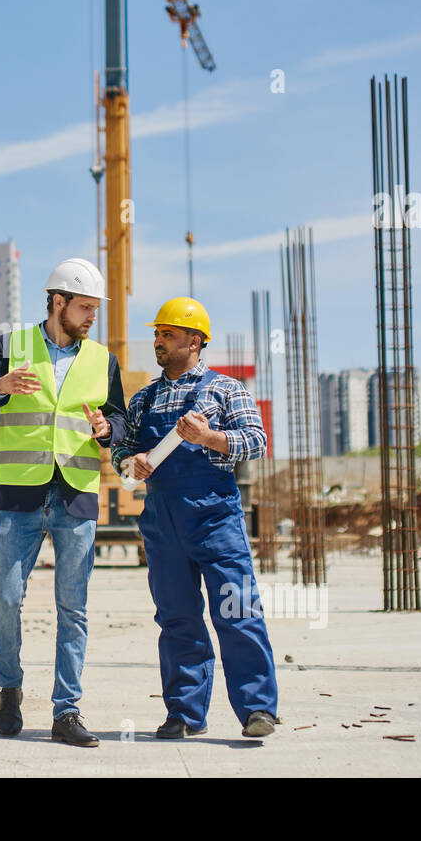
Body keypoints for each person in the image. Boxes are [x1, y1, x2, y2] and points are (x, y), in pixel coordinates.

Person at [0, 257, 126, 748]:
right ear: (58, 302)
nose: (92, 316)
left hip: (76, 495)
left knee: (73, 608)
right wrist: (0, 387)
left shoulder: (103, 359)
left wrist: (107, 430)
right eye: (84, 307)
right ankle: (9, 687)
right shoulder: (10, 348)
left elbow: (119, 422)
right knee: (6, 598)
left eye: (95, 308)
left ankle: (66, 711)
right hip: (20, 494)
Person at [111, 296, 280, 740]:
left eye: (167, 333)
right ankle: (184, 712)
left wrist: (208, 436)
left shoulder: (224, 391)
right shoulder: (143, 398)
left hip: (214, 515)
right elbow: (121, 453)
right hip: (162, 518)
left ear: (195, 340)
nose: (158, 340)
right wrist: (133, 463)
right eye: (157, 333)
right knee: (176, 617)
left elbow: (256, 441)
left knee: (237, 610)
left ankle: (258, 709)